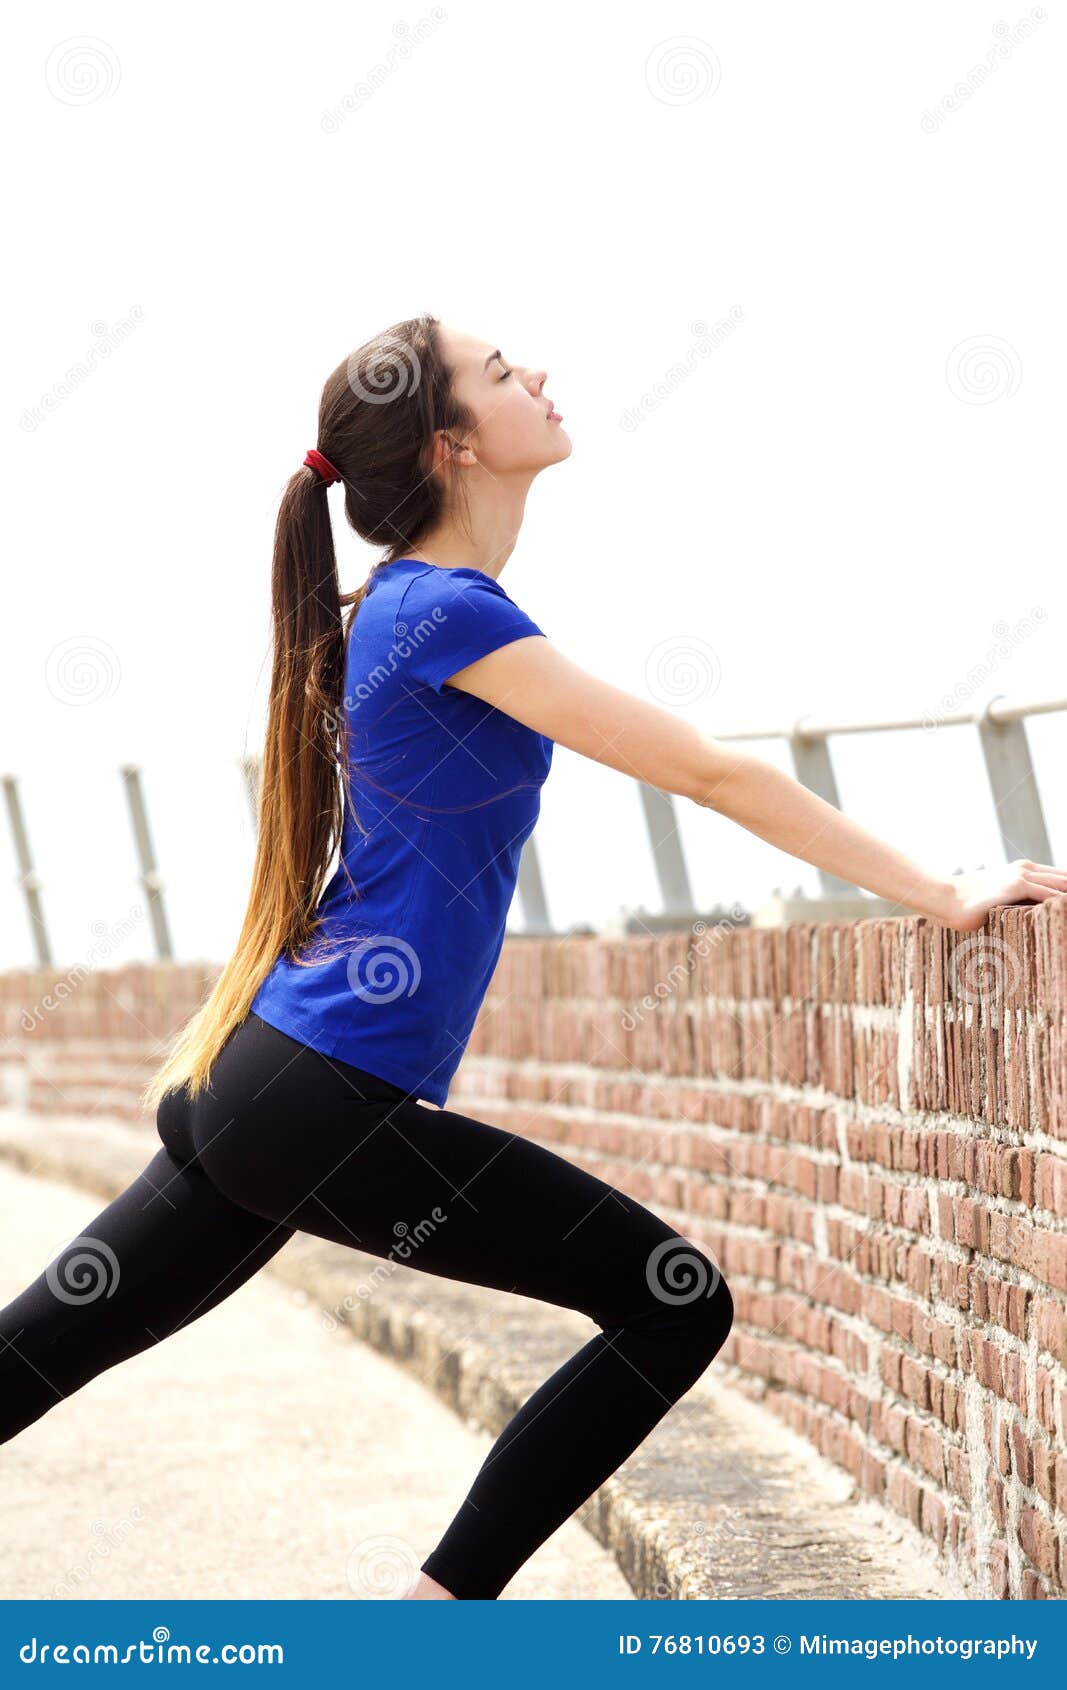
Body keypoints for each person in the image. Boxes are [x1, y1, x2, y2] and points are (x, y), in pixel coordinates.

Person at [2, 316, 1064, 1601]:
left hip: (274, 1084)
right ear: (451, 443)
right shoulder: (441, 612)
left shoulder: (415, 610)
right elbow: (704, 770)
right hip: (313, 1091)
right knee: (673, 1301)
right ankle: (436, 1626)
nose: (541, 374)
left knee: (39, 1355)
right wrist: (944, 892)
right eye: (501, 373)